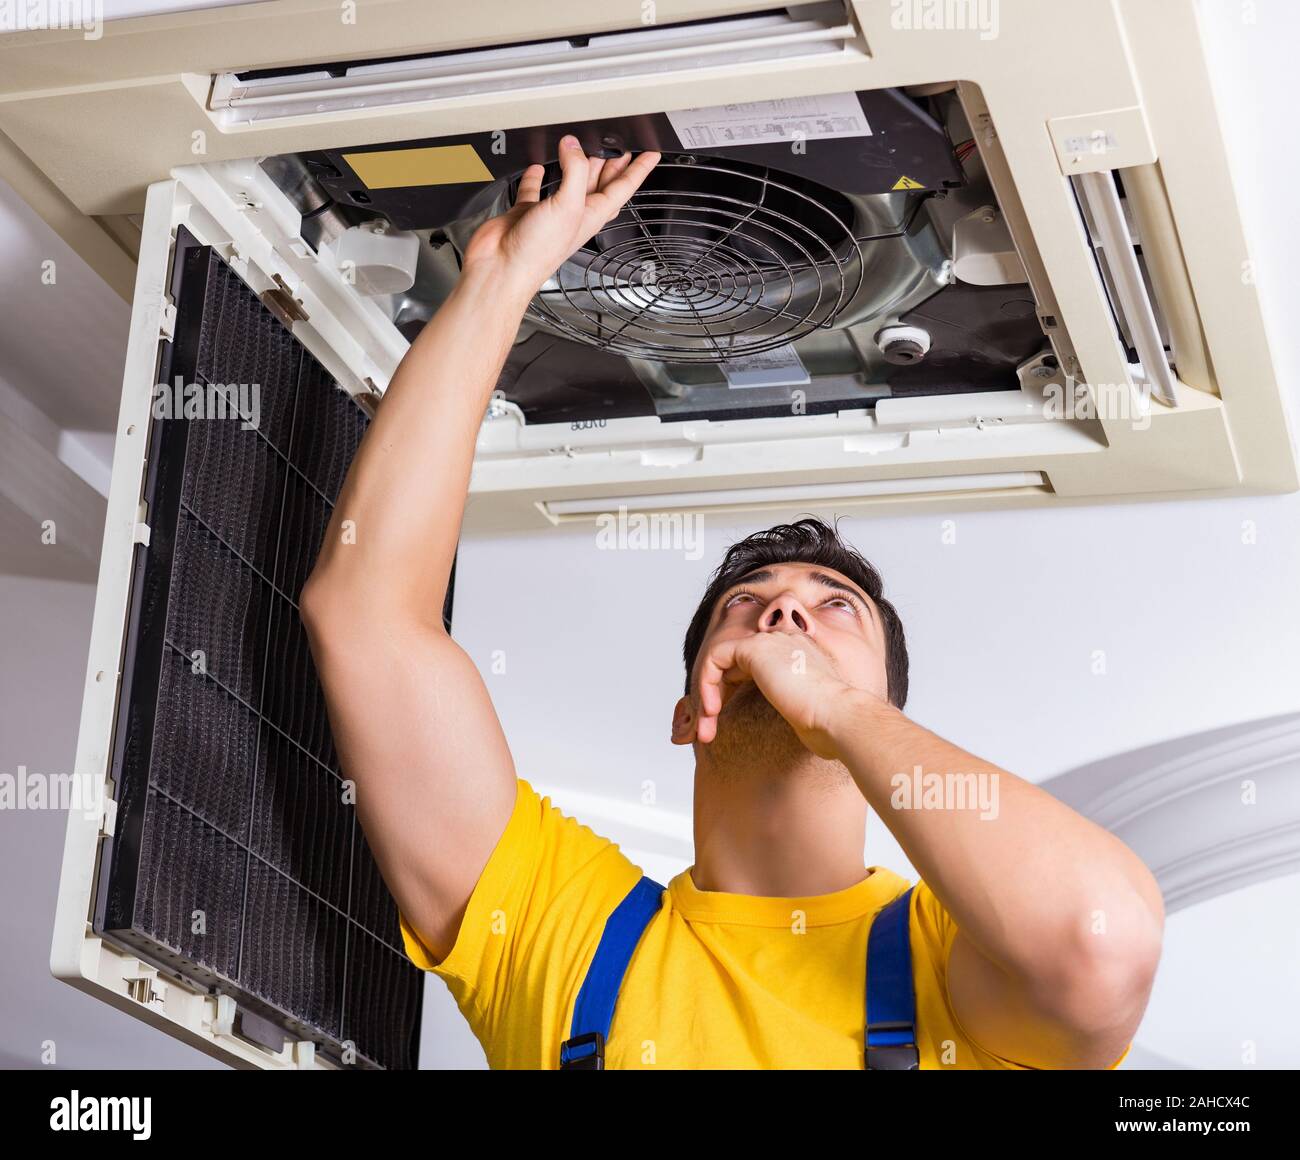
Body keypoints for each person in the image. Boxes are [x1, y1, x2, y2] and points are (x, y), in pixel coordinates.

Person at [300, 136, 1163, 1069]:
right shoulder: (563, 930)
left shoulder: (952, 969)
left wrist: (836, 712)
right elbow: (367, 617)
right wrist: (503, 280)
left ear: (887, 711)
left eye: (836, 607)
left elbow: (1100, 936)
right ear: (688, 712)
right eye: (745, 605)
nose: (783, 615)